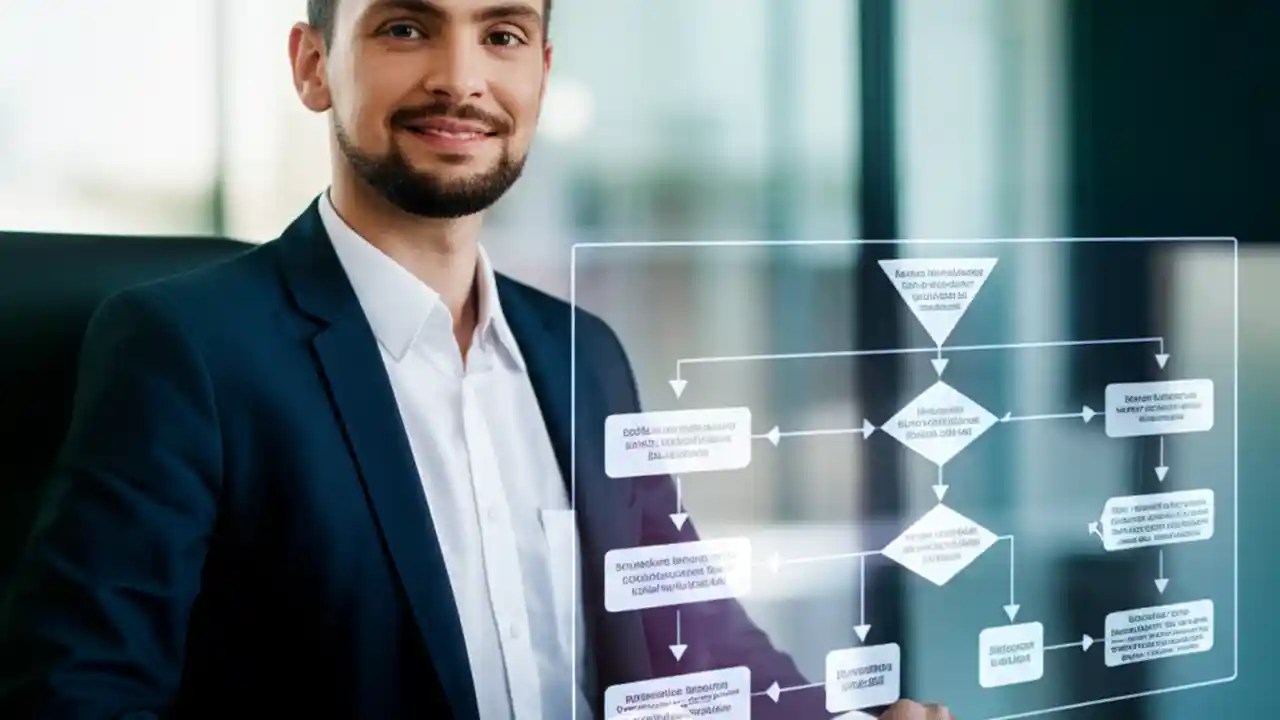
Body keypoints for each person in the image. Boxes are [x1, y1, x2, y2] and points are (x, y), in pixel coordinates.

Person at [0, 1, 953, 718]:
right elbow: (82, 693)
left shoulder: (583, 353)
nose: (461, 80)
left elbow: (686, 633)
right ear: (313, 65)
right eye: (407, 28)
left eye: (500, 35)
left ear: (540, 68)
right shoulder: (186, 350)